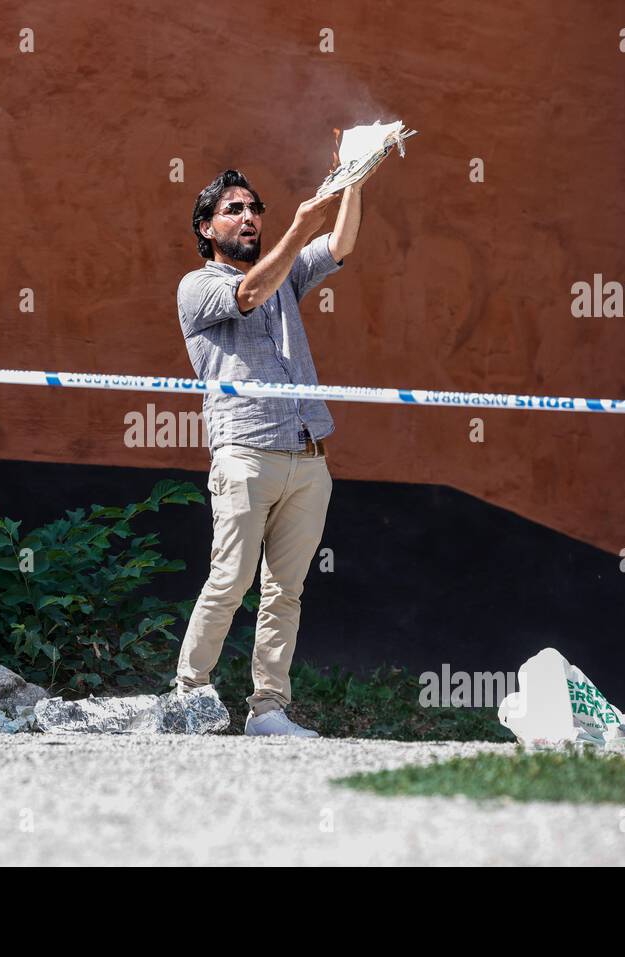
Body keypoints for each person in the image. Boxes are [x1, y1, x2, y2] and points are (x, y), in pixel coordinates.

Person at [172, 167, 372, 737]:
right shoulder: (196, 286)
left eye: (255, 207)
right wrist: (301, 224)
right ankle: (189, 695)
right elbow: (248, 293)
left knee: (286, 592)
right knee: (229, 582)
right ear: (207, 227)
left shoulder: (284, 274)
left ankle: (268, 710)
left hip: (308, 455)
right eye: (233, 209)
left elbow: (340, 245)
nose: (249, 217)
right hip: (246, 453)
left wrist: (355, 182)